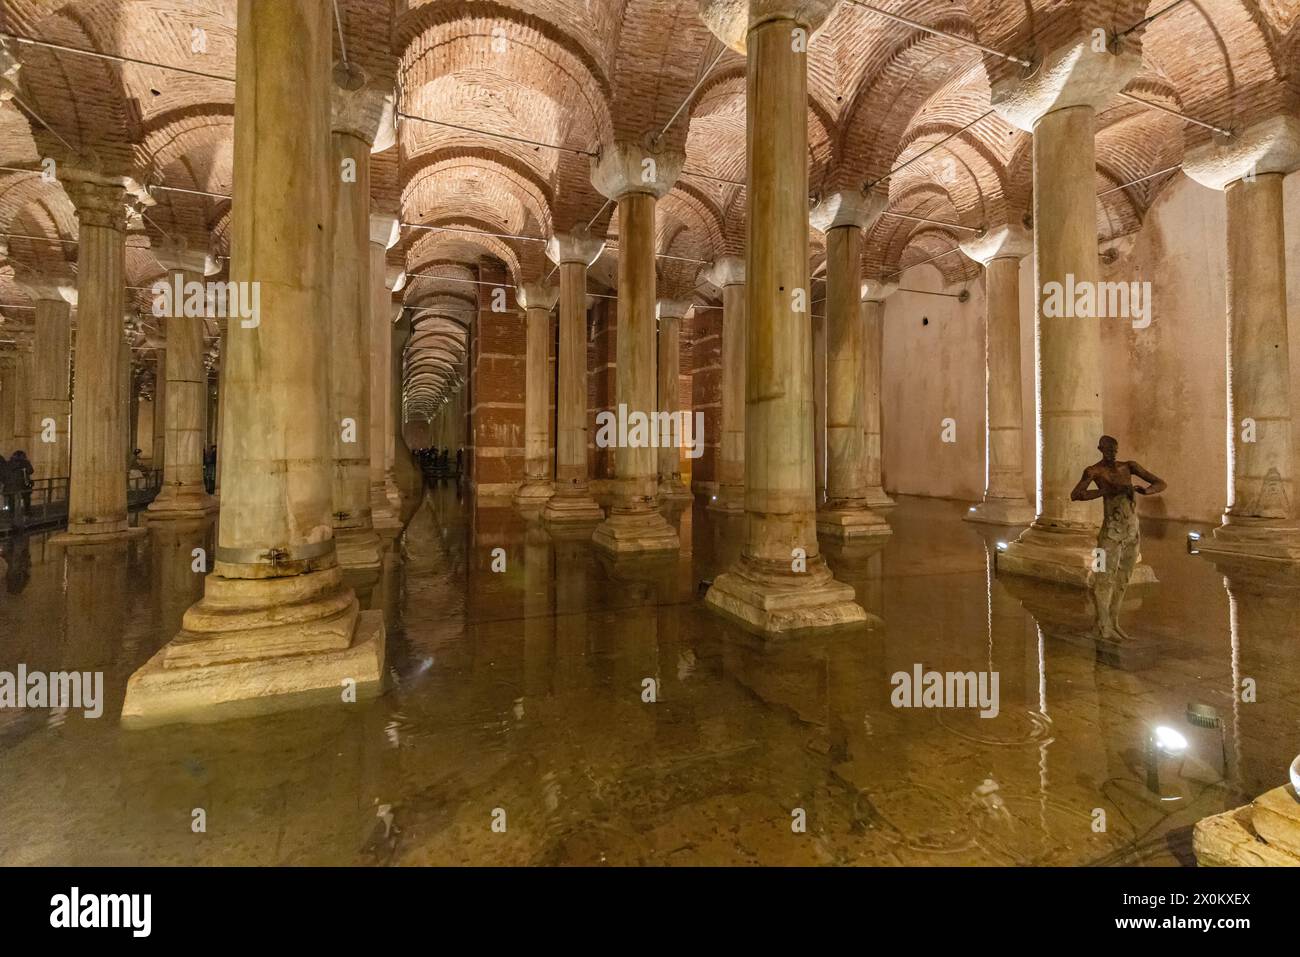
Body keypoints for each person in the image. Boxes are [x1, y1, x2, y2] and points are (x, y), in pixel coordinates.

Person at [1070, 435, 1166, 641]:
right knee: (1104, 576)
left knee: (1123, 577)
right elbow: (1076, 494)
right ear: (1100, 449)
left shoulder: (1129, 466)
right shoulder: (1094, 471)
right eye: (1108, 449)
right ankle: (1101, 624)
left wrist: (1147, 490)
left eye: (1115, 449)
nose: (1112, 453)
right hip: (1111, 531)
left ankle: (1113, 622)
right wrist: (1104, 490)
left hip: (1132, 528)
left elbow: (1160, 483)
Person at [3, 449, 33, 529]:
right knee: (25, 501)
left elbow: (4, 475)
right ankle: (25, 517)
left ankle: (11, 519)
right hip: (22, 487)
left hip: (9, 488)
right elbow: (31, 471)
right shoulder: (24, 463)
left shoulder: (8, 463)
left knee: (11, 503)